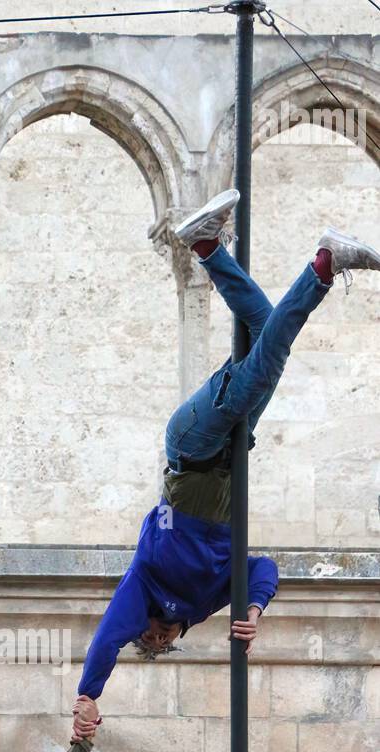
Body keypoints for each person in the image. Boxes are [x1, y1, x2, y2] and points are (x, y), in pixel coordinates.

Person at [75, 189, 380, 714]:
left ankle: (325, 264)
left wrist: (88, 694)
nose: (155, 636)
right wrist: (255, 611)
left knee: (267, 361)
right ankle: (209, 246)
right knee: (265, 331)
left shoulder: (142, 586)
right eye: (161, 644)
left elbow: (107, 637)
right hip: (230, 451)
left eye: (146, 639)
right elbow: (262, 569)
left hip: (192, 446)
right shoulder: (206, 600)